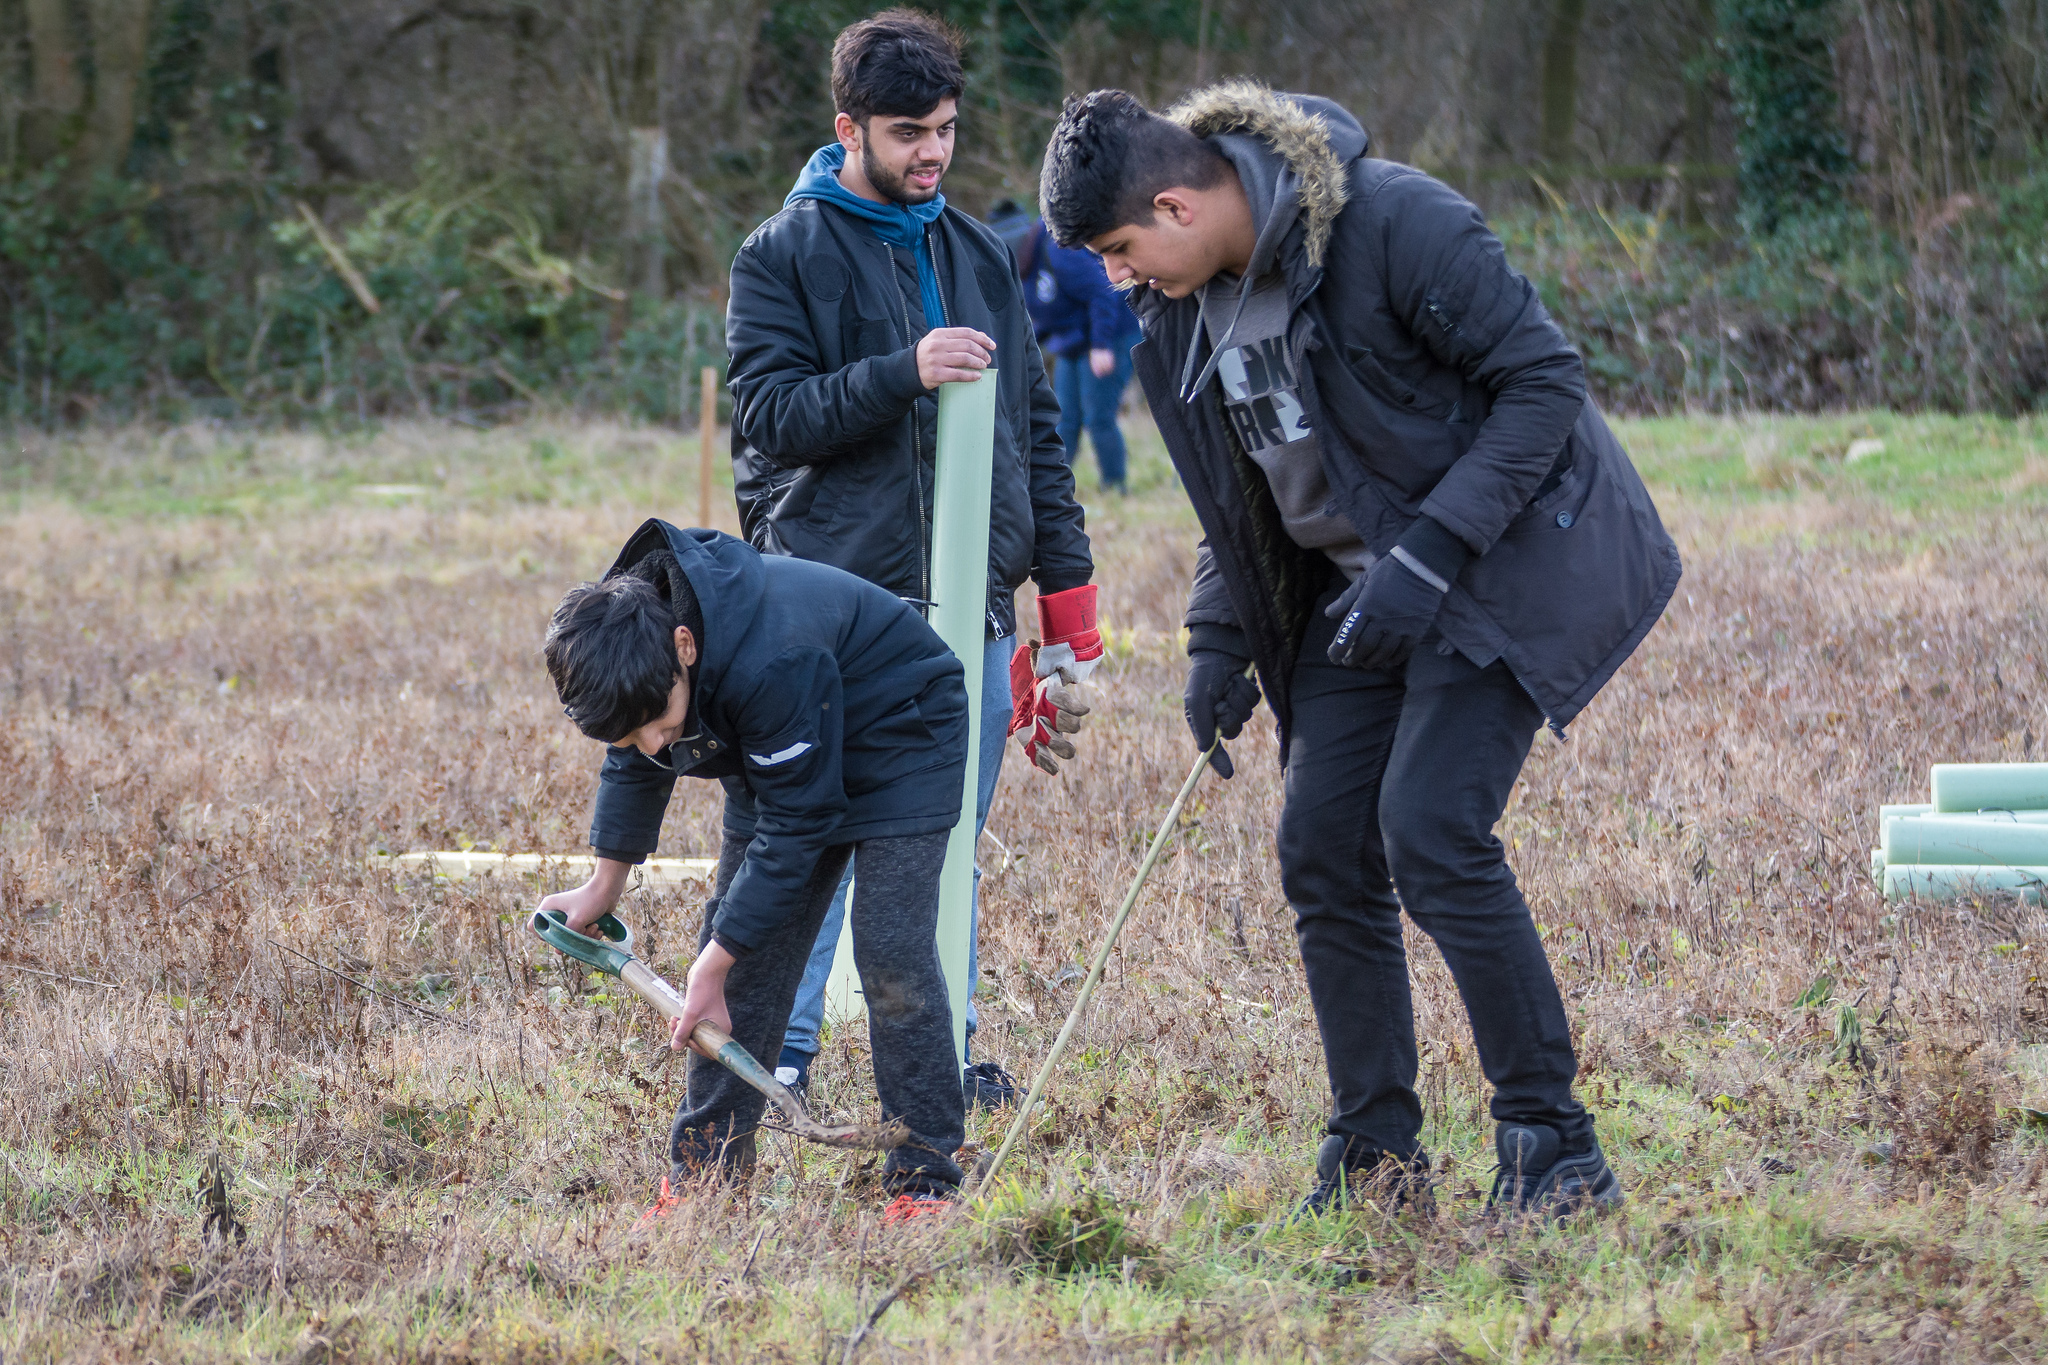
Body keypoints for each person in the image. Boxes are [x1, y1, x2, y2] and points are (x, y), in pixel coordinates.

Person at [1039, 83, 1682, 1219]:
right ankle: (1375, 1161)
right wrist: (1216, 638)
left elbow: (1543, 383)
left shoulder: (1392, 223)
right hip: (1352, 592)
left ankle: (1553, 1148)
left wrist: (1430, 554)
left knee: (1429, 829)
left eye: (1119, 249)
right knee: (1323, 847)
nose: (1115, 278)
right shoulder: (1183, 303)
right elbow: (1242, 479)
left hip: (1495, 565)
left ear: (1178, 205)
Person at [724, 9, 1101, 1107]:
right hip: (834, 609)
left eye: (943, 130)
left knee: (938, 851)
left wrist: (1064, 616)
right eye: (906, 134)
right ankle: (777, 1059)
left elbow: (1036, 434)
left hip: (971, 610)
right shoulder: (778, 255)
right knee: (808, 849)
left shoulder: (978, 250)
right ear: (848, 127)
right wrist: (903, 371)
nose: (931, 154)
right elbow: (767, 417)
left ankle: (948, 1062)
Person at [537, 519, 971, 1211]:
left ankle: (925, 1173)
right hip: (780, 744)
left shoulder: (773, 655)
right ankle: (705, 1178)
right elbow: (636, 757)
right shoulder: (633, 644)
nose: (654, 743)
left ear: (686, 646)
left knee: (891, 951)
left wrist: (711, 964)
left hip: (900, 735)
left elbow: (801, 823)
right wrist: (603, 881)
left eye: (659, 721)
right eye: (632, 731)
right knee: (747, 957)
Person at [990, 199, 1143, 494]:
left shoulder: (1057, 251)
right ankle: (1053, 489)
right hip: (1073, 344)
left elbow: (1103, 293)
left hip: (1109, 337)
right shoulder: (1022, 270)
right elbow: (1044, 319)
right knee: (1065, 419)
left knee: (1098, 417)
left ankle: (1115, 486)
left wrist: (1101, 345)